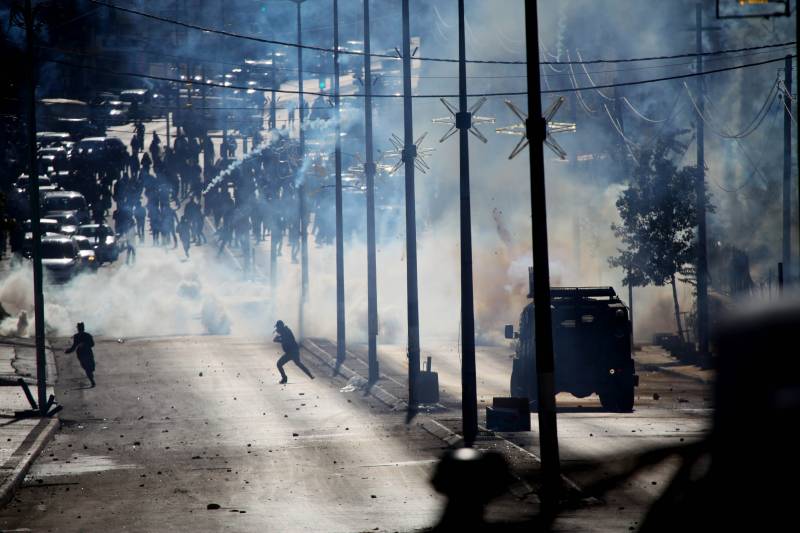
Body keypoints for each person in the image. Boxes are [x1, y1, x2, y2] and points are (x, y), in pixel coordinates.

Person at [65, 322, 96, 388]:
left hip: (82, 354)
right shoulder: (87, 335)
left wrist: (68, 351)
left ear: (78, 329)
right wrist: (68, 351)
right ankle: (92, 380)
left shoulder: (77, 336)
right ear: (83, 328)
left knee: (88, 368)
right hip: (86, 353)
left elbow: (74, 347)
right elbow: (92, 344)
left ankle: (91, 378)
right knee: (89, 368)